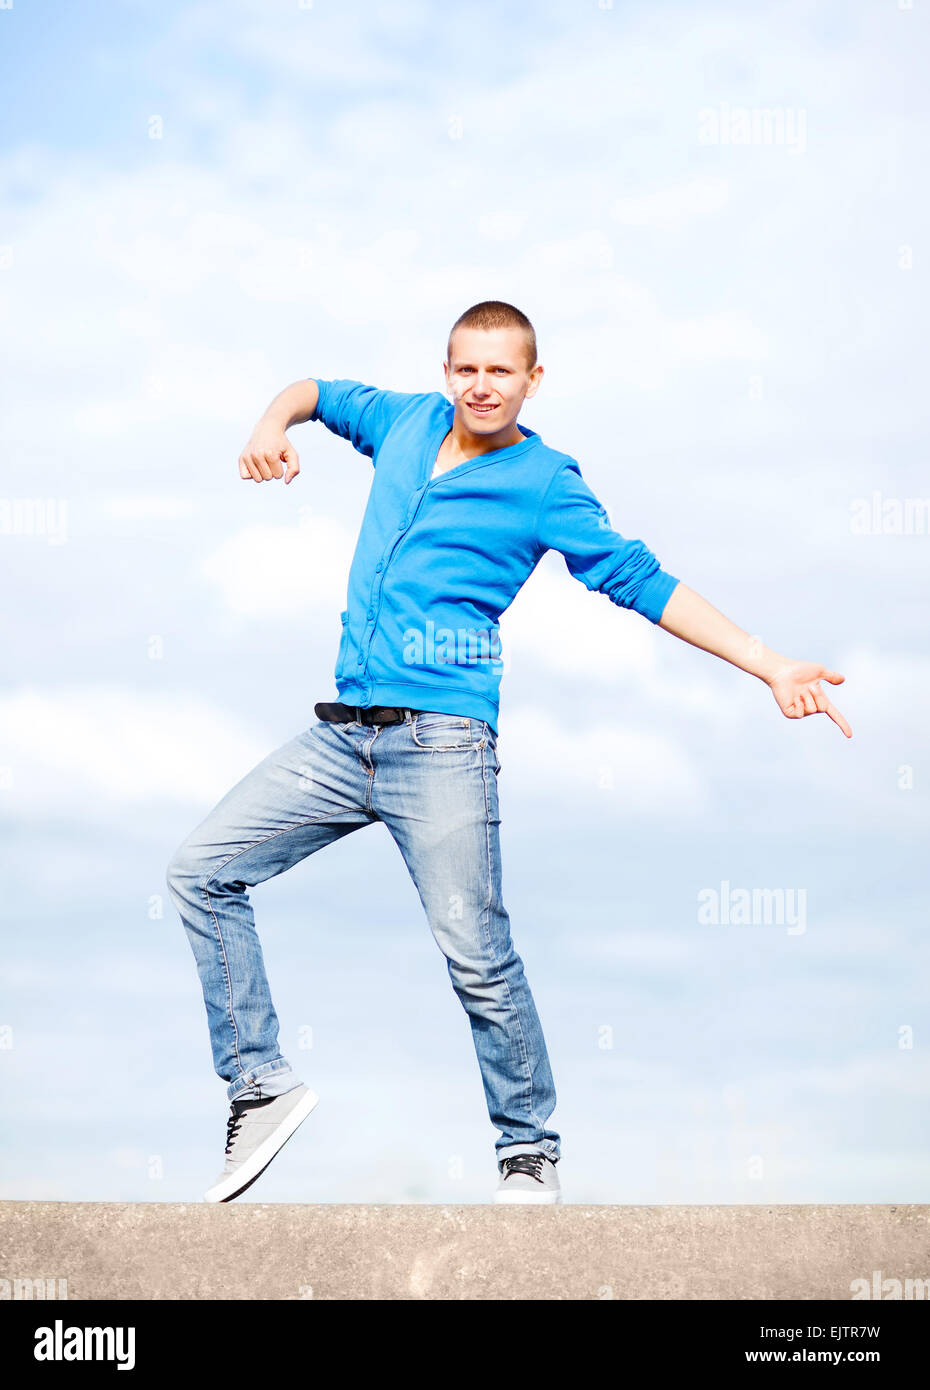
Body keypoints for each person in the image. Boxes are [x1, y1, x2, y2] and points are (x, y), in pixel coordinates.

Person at [166, 300, 852, 1206]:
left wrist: (767, 664)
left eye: (501, 370)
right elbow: (315, 392)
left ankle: (528, 1148)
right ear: (446, 372)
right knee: (199, 870)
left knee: (477, 956)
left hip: (441, 745)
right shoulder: (403, 420)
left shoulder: (543, 480)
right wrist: (268, 423)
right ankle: (260, 1084)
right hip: (340, 737)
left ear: (534, 379)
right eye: (466, 369)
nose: (480, 385)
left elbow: (640, 579)